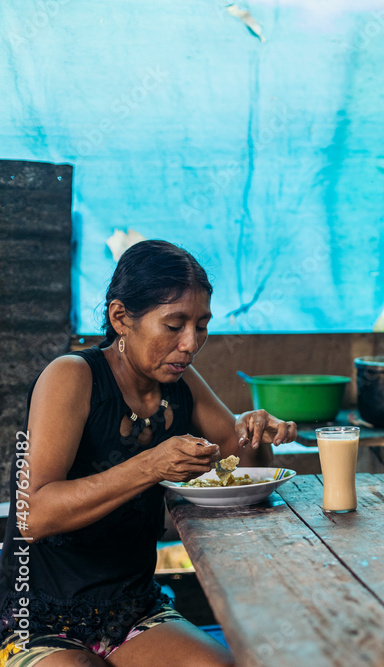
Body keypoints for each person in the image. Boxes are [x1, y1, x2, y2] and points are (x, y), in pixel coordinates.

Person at [0, 240, 297, 666]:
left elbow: (246, 463)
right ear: (121, 317)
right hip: (37, 617)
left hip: (131, 610)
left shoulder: (180, 384)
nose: (191, 343)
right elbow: (33, 516)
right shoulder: (71, 377)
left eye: (202, 325)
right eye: (174, 325)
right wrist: (151, 464)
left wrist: (257, 432)